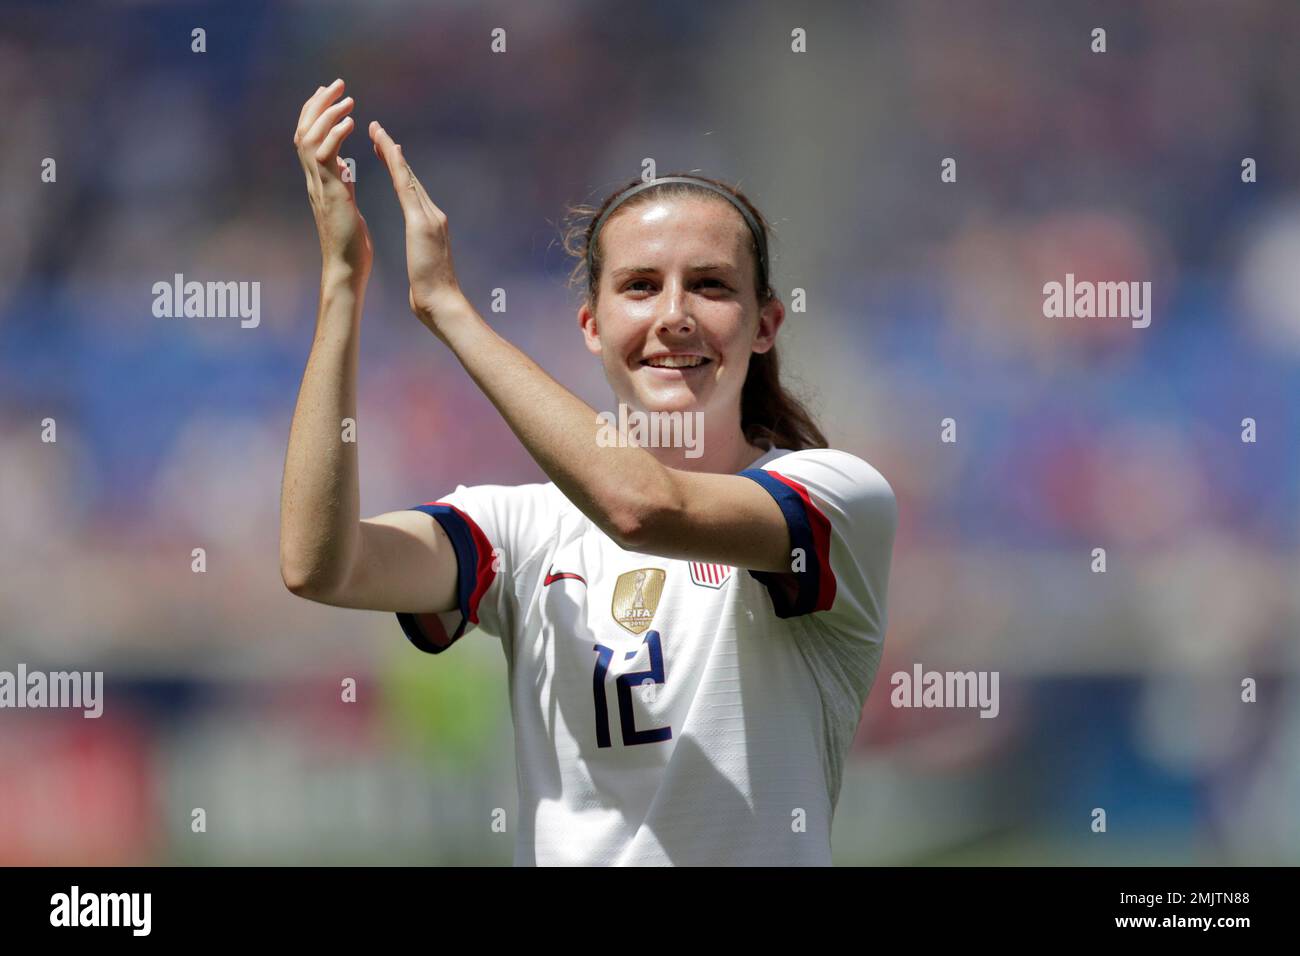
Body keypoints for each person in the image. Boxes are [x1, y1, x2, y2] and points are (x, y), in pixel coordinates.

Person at [281, 78, 898, 865]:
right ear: (592, 326)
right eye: (640, 286)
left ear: (765, 323)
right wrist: (342, 285)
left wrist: (450, 311)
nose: (674, 313)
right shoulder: (522, 529)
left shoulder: (836, 498)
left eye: (710, 285)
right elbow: (318, 565)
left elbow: (641, 506)